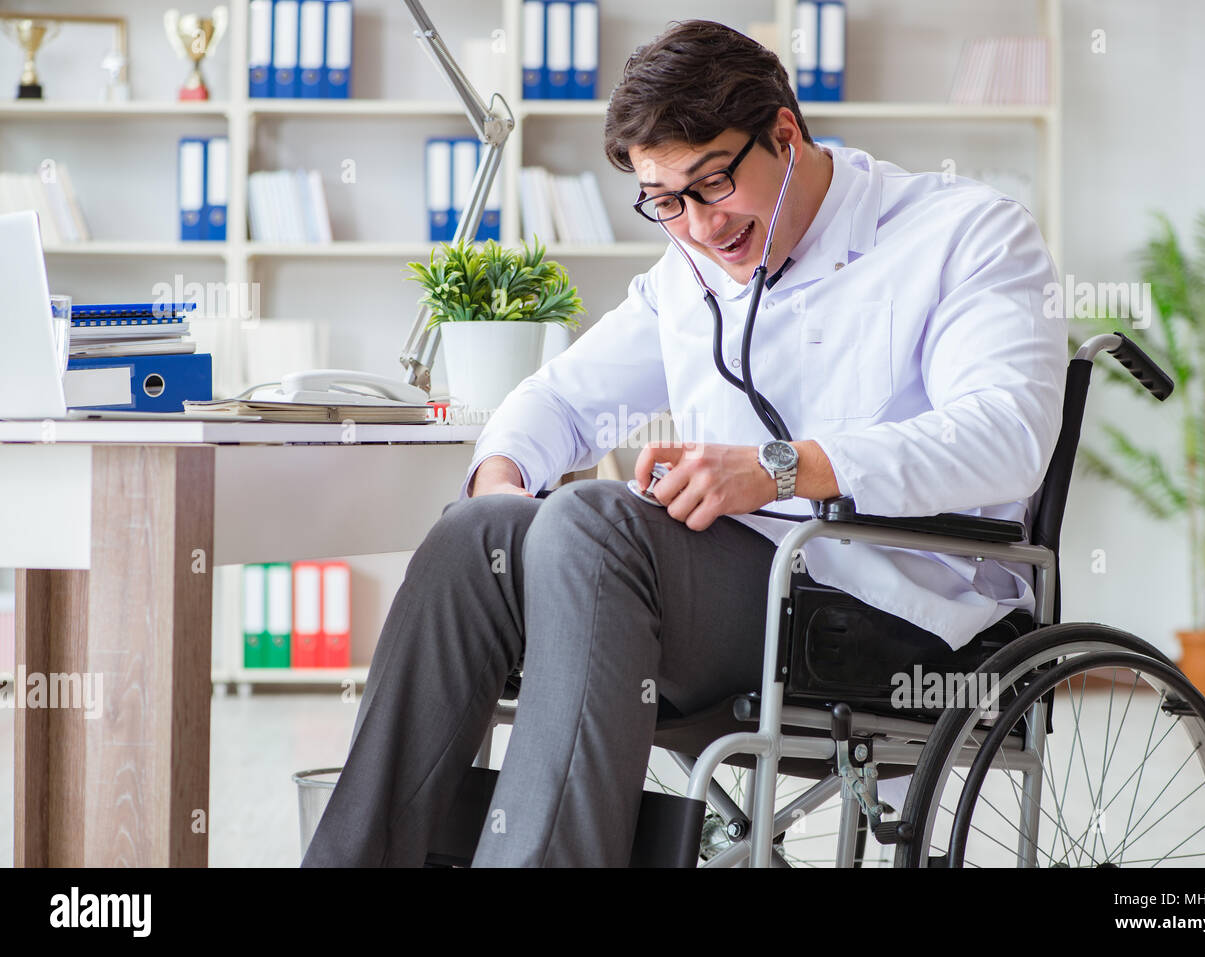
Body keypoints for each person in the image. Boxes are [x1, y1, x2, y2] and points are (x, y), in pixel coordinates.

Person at [302, 18, 1066, 868]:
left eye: (711, 186)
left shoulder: (965, 232)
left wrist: (781, 469)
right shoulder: (690, 275)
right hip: (739, 601)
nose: (700, 228)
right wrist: (502, 477)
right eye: (665, 202)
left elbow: (1006, 432)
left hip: (895, 612)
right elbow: (560, 395)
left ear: (785, 131)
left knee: (595, 524)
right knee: (476, 535)